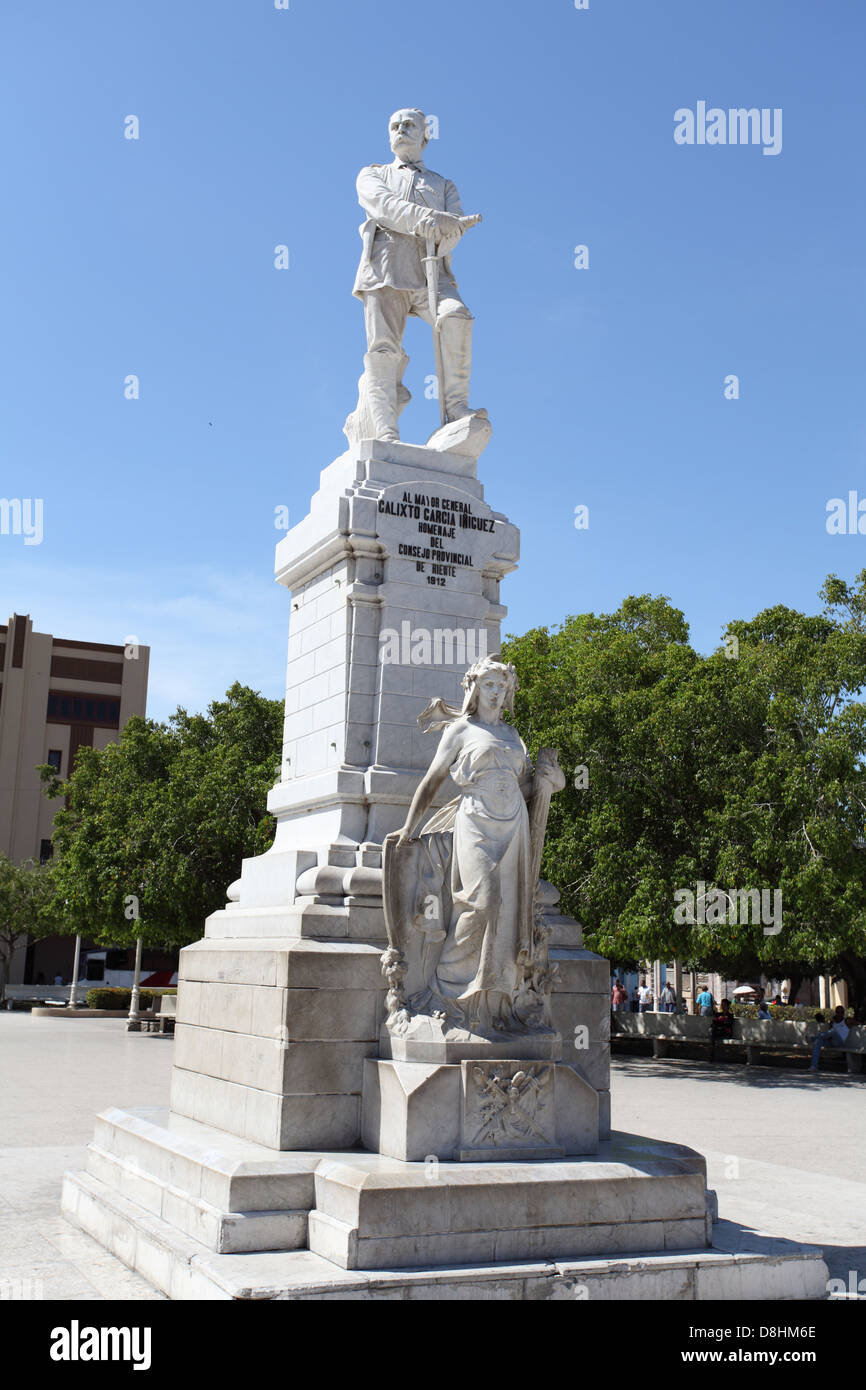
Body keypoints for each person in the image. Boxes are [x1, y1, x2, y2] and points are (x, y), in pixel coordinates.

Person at [393, 656, 562, 1032]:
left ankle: (496, 997)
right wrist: (409, 827)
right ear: (473, 688)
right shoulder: (460, 730)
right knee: (480, 900)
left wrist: (552, 781)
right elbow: (433, 780)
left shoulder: (513, 735)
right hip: (476, 821)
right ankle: (445, 989)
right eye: (490, 684)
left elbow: (527, 786)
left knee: (507, 909)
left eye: (502, 686)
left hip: (514, 822)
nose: (497, 692)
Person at [346, 108, 485, 443]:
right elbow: (385, 207)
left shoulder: (443, 184)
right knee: (384, 350)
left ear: (426, 134)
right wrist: (430, 220)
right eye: (394, 126)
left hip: (431, 269)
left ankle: (456, 409)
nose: (401, 130)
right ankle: (385, 429)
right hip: (385, 265)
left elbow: (455, 226)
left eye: (409, 125)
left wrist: (450, 230)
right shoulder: (372, 174)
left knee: (457, 317)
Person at [809, 1005, 850, 1072]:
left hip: (840, 1042)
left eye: (841, 1012)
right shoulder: (832, 1022)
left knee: (833, 1031)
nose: (839, 1014)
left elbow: (858, 1023)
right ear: (835, 1013)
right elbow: (828, 1034)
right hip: (832, 1042)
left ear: (843, 1013)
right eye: (837, 1012)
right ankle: (814, 1066)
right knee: (818, 1041)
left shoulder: (847, 1021)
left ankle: (812, 1038)